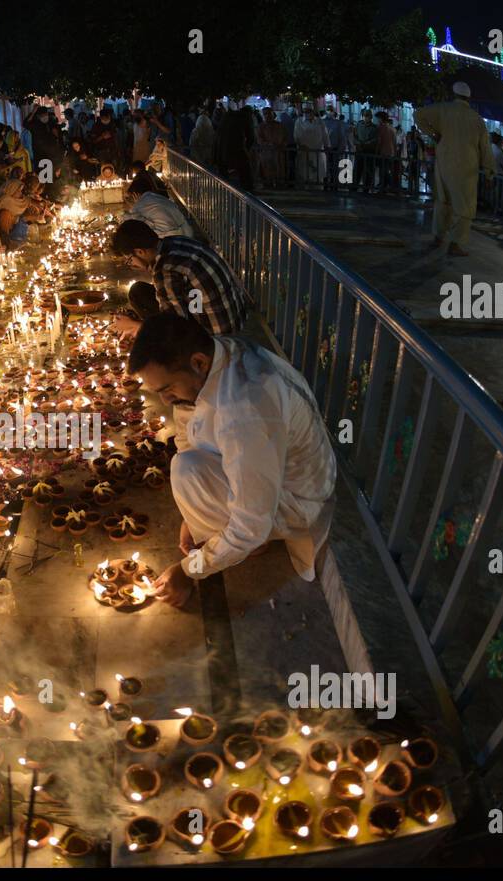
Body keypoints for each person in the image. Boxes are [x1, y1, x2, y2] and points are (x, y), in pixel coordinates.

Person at [127, 314, 336, 608]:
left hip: (299, 497)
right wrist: (191, 517)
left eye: (167, 389)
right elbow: (190, 431)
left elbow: (251, 524)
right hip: (275, 469)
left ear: (197, 362)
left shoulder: (244, 409)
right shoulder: (220, 354)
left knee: (188, 474)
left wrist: (190, 571)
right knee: (186, 467)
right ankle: (236, 540)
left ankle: (254, 546)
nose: (165, 400)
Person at [110, 219, 246, 337]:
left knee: (163, 327)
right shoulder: (173, 241)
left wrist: (135, 325)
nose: (131, 265)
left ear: (140, 251)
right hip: (232, 317)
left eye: (129, 260)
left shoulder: (165, 269)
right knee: (139, 292)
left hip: (215, 334)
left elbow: (175, 327)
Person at [413, 82, 495, 257]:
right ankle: (456, 244)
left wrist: (433, 133)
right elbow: (485, 149)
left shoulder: (443, 109)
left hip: (443, 163)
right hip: (466, 167)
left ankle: (438, 237)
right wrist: (489, 172)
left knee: (443, 202)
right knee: (465, 207)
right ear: (469, 98)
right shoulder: (477, 119)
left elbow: (418, 114)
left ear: (454, 95)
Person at [123, 172, 194, 237]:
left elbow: (132, 223)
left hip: (174, 237)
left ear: (135, 194)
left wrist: (133, 208)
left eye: (130, 197)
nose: (129, 201)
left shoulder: (141, 204)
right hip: (187, 231)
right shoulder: (157, 197)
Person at [293, 106, 330, 186]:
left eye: (310, 111)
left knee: (318, 175)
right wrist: (301, 145)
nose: (308, 113)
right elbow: (296, 136)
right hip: (304, 152)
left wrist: (327, 146)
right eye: (306, 111)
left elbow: (325, 135)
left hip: (319, 152)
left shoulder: (320, 121)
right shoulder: (299, 121)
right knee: (305, 175)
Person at [351, 109, 377, 193]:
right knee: (357, 169)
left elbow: (375, 139)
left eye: (367, 116)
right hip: (359, 151)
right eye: (364, 115)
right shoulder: (359, 124)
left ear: (371, 117)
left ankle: (366, 188)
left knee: (368, 171)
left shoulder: (374, 127)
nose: (366, 117)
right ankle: (355, 186)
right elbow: (354, 136)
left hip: (369, 151)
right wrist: (358, 143)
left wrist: (366, 144)